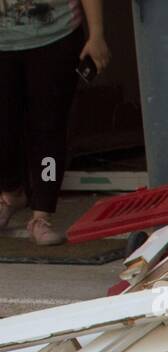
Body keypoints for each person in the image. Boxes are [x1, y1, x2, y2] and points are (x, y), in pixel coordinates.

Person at [0, 0, 110, 246]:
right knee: (4, 130)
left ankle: (42, 214)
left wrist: (97, 34)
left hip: (56, 38)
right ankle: (11, 192)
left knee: (48, 131)